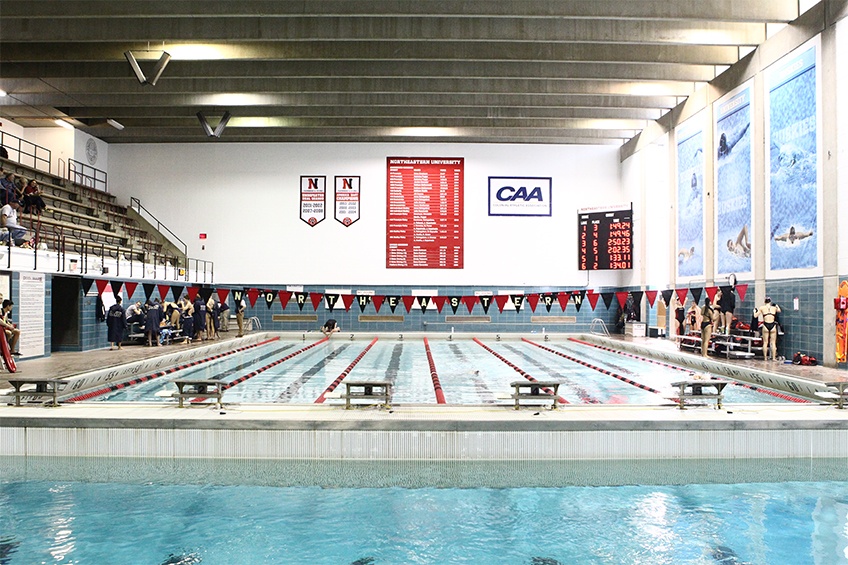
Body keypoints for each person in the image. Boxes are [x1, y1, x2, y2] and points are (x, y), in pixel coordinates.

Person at [755, 297, 781, 361]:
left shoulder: (762, 308)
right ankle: (774, 358)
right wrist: (777, 306)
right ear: (770, 302)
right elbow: (779, 310)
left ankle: (765, 358)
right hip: (773, 325)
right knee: (773, 343)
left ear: (764, 301)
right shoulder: (774, 308)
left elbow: (755, 316)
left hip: (765, 325)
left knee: (765, 342)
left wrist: (754, 312)